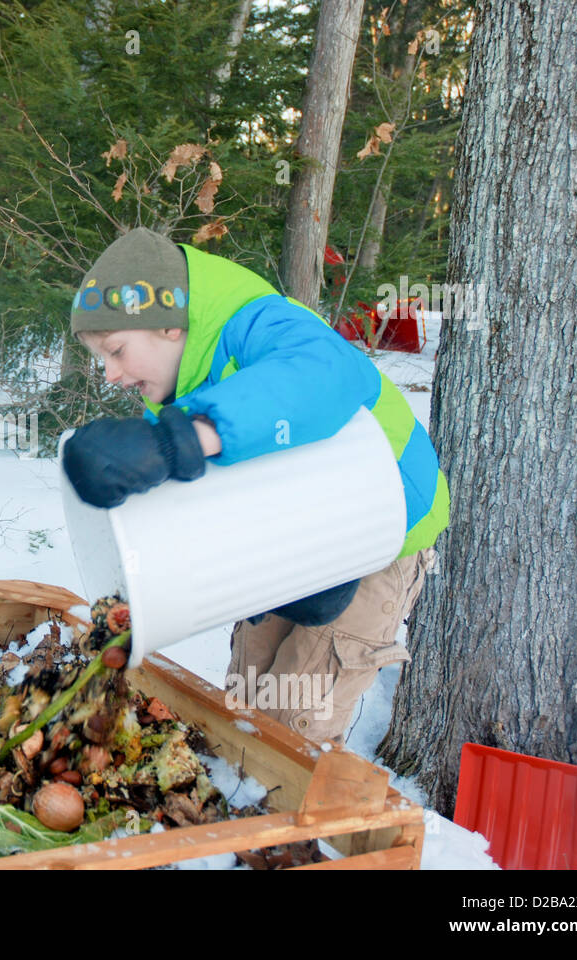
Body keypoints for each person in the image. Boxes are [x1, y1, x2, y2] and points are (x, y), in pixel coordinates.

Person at [61, 227, 449, 747]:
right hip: (293, 533)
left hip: (382, 531)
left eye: (115, 350)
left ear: (168, 325)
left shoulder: (256, 319)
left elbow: (328, 374)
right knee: (241, 715)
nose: (109, 374)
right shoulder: (181, 372)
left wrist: (187, 437)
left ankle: (293, 827)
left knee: (290, 735)